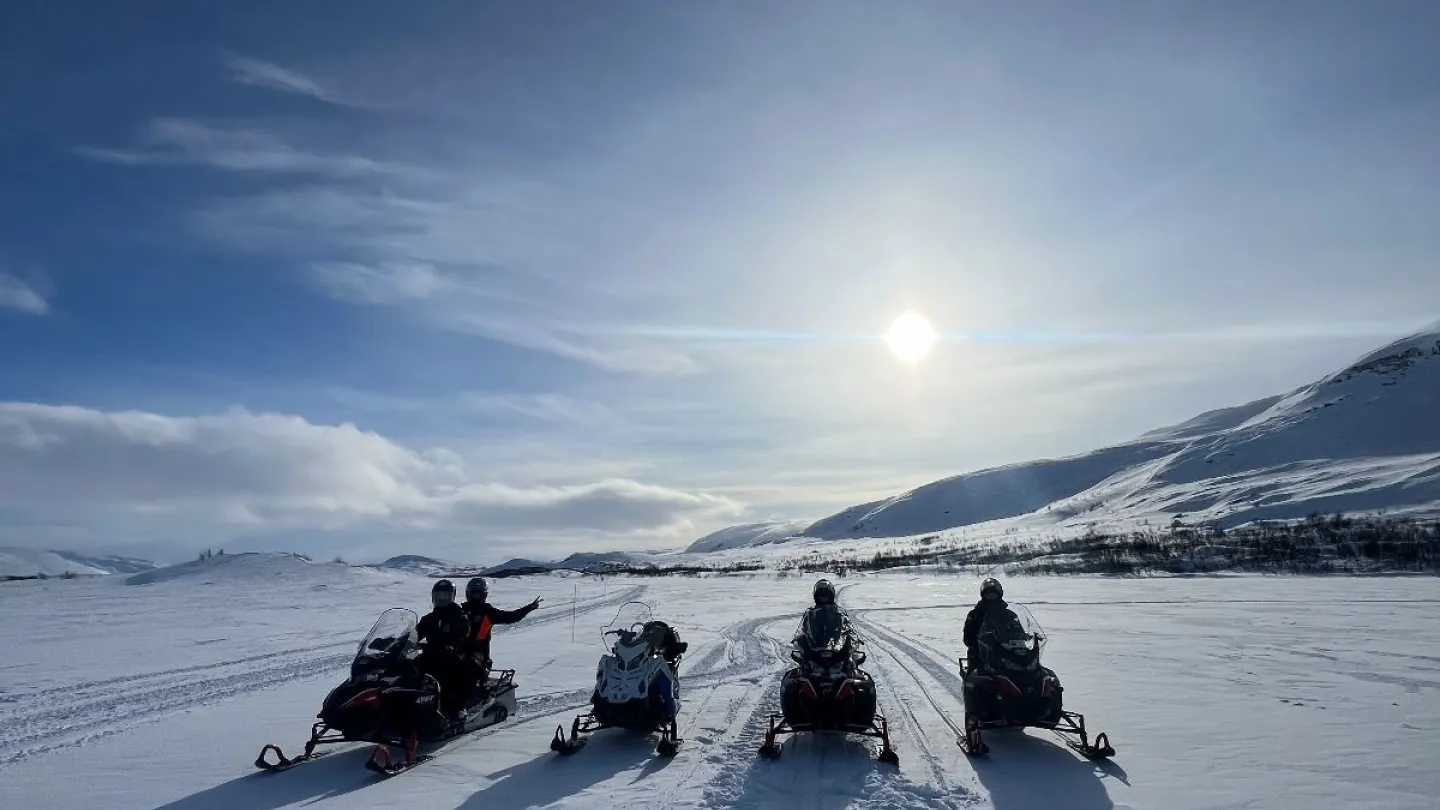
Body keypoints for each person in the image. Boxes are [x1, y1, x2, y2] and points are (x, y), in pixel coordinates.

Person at [457, 577, 541, 708]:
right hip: (459, 652)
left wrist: (528, 608)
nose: (476, 597)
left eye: (479, 594)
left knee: (467, 675)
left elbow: (511, 617)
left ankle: (478, 701)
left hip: (479, 658)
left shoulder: (488, 612)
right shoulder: (461, 611)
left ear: (484, 595)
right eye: (474, 594)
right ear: (468, 594)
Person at [416, 579, 470, 720]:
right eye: (438, 595)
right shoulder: (428, 619)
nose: (441, 599)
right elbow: (415, 634)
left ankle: (458, 709)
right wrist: (392, 641)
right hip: (431, 655)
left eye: (445, 595)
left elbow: (463, 636)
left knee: (451, 673)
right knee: (410, 668)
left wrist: (452, 646)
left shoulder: (459, 617)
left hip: (452, 656)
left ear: (452, 597)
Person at [962, 577, 1008, 674]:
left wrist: (1025, 637)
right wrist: (979, 642)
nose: (991, 597)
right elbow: (968, 636)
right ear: (983, 595)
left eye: (993, 594)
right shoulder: (975, 614)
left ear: (999, 594)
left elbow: (1017, 630)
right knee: (977, 675)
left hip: (1005, 651)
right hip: (982, 654)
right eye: (988, 594)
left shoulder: (1008, 614)